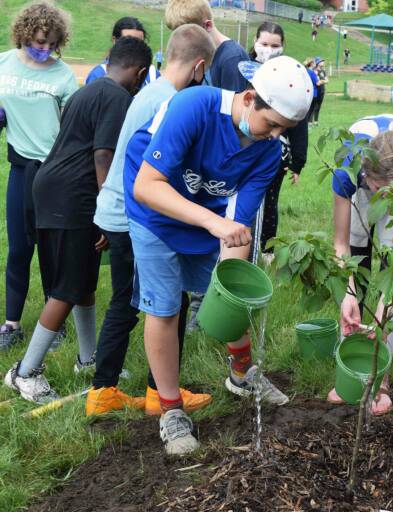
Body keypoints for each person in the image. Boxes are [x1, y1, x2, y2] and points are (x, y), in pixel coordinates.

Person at [123, 56, 312, 455]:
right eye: (272, 123)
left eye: (285, 130)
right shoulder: (195, 106)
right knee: (165, 308)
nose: (275, 135)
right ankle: (171, 411)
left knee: (229, 290)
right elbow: (147, 185)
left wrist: (228, 285)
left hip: (205, 218)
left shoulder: (265, 153)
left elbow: (238, 227)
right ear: (249, 99)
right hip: (155, 212)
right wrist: (213, 224)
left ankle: (242, 374)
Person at [4, 37, 152, 404]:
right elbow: (103, 155)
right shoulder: (118, 97)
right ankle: (25, 372)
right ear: (142, 73)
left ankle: (88, 359)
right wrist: (105, 211)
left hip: (50, 188)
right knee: (68, 287)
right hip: (73, 196)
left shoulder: (91, 89)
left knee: (83, 279)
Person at [86, 25, 216, 416]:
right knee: (156, 303)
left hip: (119, 210)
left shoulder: (154, 92)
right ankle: (146, 393)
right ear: (199, 66)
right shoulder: (171, 101)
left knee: (140, 302)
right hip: (132, 215)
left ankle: (117, 390)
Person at [328, 113, 393, 416]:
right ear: (367, 176)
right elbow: (341, 245)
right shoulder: (347, 171)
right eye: (379, 189)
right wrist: (348, 292)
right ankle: (350, 373)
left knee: (391, 273)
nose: (384, 198)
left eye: (391, 192)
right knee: (358, 256)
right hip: (360, 186)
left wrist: (384, 308)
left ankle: (381, 378)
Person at [164, 0, 253, 331]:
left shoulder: (231, 60)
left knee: (225, 237)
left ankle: (217, 315)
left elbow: (237, 122)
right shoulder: (209, 61)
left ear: (206, 25)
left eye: (186, 32)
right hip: (204, 169)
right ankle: (201, 307)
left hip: (227, 171)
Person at [0, 3, 78, 350]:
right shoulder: (4, 63)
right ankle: (11, 324)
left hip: (53, 172)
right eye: (39, 41)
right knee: (18, 248)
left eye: (51, 43)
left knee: (51, 250)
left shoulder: (62, 76)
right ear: (24, 34)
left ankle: (54, 324)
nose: (44, 49)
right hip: (20, 168)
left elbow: (73, 127)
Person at [248, 22, 309, 262]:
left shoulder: (290, 74)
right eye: (264, 44)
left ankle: (266, 249)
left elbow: (299, 120)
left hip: (276, 152)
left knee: (270, 200)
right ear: (255, 42)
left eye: (275, 45)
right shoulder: (243, 68)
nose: (269, 49)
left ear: (282, 47)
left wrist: (298, 162)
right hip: (246, 144)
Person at [165, 0, 250, 93]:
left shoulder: (232, 58)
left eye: (188, 34)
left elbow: (233, 106)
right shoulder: (195, 55)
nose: (183, 41)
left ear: (208, 25)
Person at [86, 17, 160, 88]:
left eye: (140, 43)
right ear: (115, 41)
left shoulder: (152, 74)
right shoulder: (98, 75)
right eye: (128, 42)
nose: (135, 48)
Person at [311, 58, 328, 124]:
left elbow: (327, 80)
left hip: (322, 90)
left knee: (318, 106)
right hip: (316, 90)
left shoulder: (323, 71)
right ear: (317, 63)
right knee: (313, 106)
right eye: (321, 61)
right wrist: (323, 81)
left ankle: (316, 121)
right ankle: (310, 121)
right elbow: (317, 82)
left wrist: (322, 81)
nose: (323, 62)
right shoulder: (314, 71)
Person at [304, 58, 320, 126]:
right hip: (313, 93)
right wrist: (323, 81)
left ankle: (307, 122)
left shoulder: (305, 71)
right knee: (311, 109)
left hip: (306, 93)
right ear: (311, 64)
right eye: (313, 63)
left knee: (307, 109)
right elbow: (317, 83)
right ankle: (309, 123)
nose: (315, 64)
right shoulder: (312, 72)